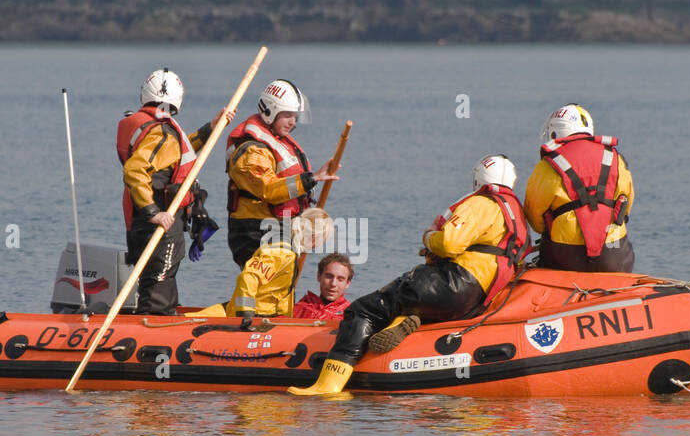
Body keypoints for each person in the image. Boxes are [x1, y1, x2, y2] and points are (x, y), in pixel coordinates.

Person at [289, 155, 529, 397]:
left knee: (363, 309)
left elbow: (448, 242)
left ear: (478, 178)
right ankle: (405, 320)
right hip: (477, 298)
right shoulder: (516, 214)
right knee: (410, 304)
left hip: (453, 283)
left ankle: (328, 386)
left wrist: (428, 238)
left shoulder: (481, 203)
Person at [117, 68, 233, 315]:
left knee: (161, 278)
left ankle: (162, 317)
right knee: (159, 279)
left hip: (147, 219)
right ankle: (151, 329)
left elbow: (176, 153)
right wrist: (153, 212)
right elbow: (134, 170)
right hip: (160, 219)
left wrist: (210, 129)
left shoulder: (154, 129)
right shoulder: (159, 132)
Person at [225, 78, 339, 268]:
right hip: (254, 232)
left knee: (282, 288)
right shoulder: (252, 151)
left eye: (295, 116)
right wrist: (312, 178)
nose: (292, 122)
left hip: (278, 228)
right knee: (260, 290)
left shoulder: (277, 141)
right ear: (269, 111)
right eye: (287, 115)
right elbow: (268, 189)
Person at [524, 103, 634, 273]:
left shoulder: (548, 165)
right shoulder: (614, 157)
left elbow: (534, 218)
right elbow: (627, 204)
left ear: (554, 132)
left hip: (566, 256)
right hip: (616, 254)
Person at [202, 209, 333, 328]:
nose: (317, 247)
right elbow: (248, 278)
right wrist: (246, 313)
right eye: (321, 241)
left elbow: (280, 293)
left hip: (268, 315)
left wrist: (285, 319)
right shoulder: (281, 253)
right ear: (314, 237)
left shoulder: (288, 253)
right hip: (257, 315)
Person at [292, 253, 353, 320]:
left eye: (340, 279)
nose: (333, 284)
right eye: (329, 277)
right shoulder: (302, 307)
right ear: (319, 276)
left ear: (347, 283)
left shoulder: (351, 314)